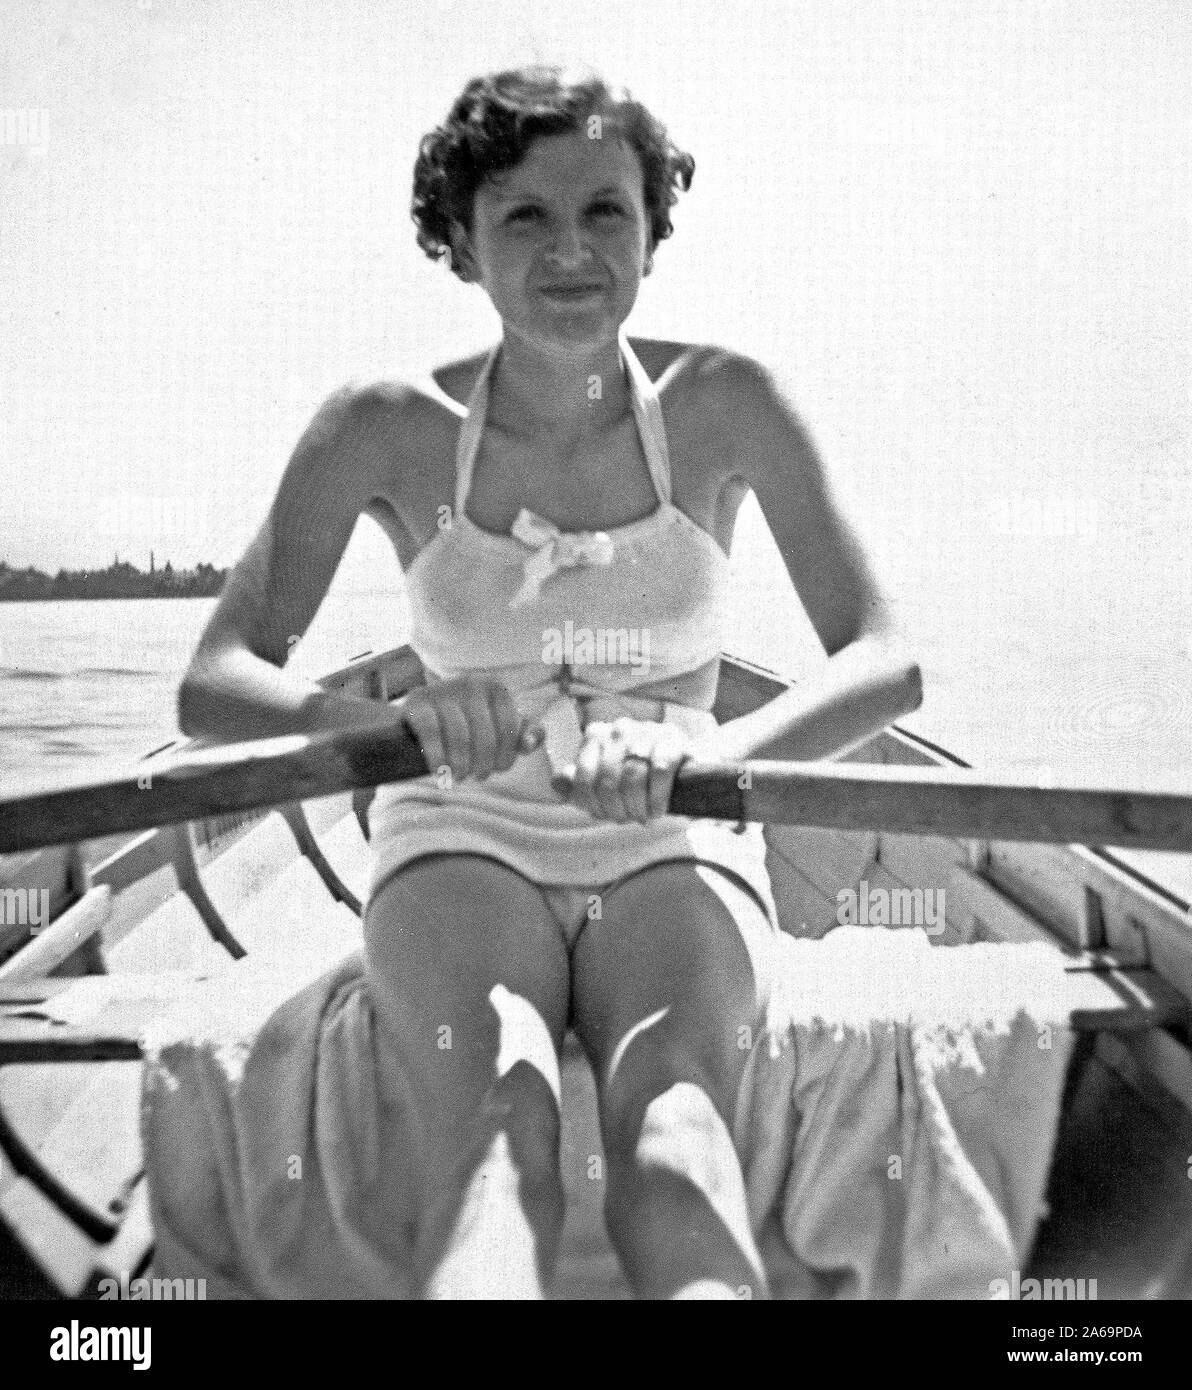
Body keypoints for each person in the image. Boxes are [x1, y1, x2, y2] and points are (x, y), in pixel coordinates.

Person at [177, 65, 922, 1299]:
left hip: (672, 832)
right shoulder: (383, 423)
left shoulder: (727, 402)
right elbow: (215, 681)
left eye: (605, 212)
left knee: (678, 1133)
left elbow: (885, 659)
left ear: (651, 232)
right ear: (460, 240)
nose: (570, 250)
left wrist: (713, 754)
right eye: (525, 215)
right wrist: (392, 718)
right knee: (495, 1129)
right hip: (460, 836)